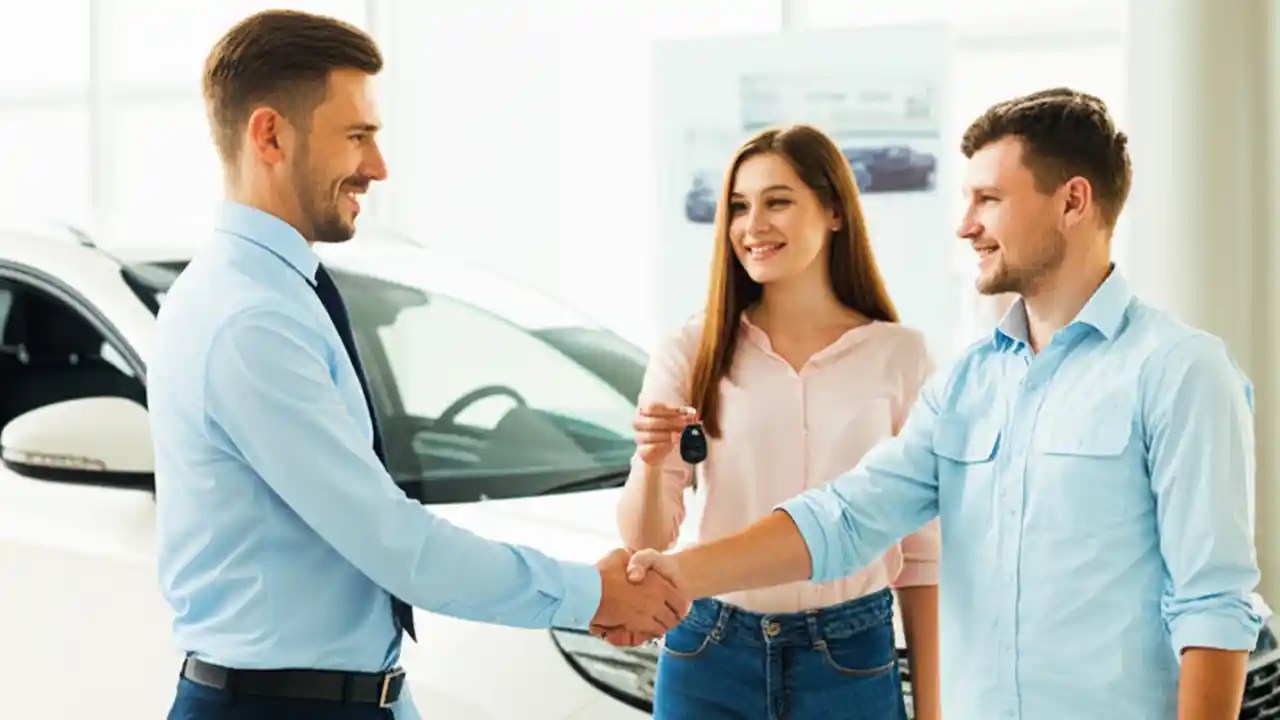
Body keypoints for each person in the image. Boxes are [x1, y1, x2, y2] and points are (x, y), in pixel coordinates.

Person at [623, 88, 1266, 719]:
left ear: (1073, 201)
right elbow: (844, 519)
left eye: (988, 199)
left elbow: (1211, 601)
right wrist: (677, 575)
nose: (966, 225)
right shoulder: (966, 384)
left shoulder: (1180, 371)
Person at [148, 11, 685, 720]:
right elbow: (392, 542)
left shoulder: (277, 293)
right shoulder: (251, 322)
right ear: (270, 135)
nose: (377, 167)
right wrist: (594, 594)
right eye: (357, 136)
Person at [617, 124, 940, 719]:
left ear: (835, 211)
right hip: (709, 652)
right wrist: (649, 460)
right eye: (739, 207)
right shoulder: (693, 348)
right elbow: (645, 545)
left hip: (852, 657)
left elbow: (922, 559)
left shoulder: (901, 355)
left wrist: (933, 710)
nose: (752, 225)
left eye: (778, 201)